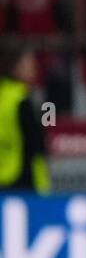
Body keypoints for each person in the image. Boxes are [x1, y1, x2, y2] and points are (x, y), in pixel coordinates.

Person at [0, 47, 51, 193]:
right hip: (20, 174)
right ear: (16, 67)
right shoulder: (21, 97)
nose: (34, 67)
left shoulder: (5, 92)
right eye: (29, 63)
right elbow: (35, 141)